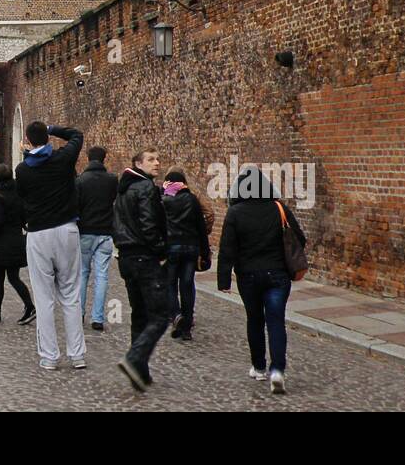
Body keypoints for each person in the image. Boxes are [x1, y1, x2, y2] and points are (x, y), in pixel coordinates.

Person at [217, 165, 306, 395]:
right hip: (277, 275)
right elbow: (300, 238)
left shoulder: (235, 213)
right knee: (276, 322)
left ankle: (258, 367)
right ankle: (277, 370)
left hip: (248, 276)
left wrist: (224, 280)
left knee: (254, 320)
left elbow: (227, 249)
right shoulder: (278, 208)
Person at [14, 122, 86, 371]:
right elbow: (77, 134)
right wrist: (52, 127)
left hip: (38, 233)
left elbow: (21, 199)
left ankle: (49, 356)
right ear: (47, 138)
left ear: (28, 141)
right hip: (66, 229)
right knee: (71, 294)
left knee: (44, 298)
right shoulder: (63, 158)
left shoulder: (22, 170)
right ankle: (77, 355)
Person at [112, 147, 171, 392]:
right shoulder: (145, 187)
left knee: (140, 314)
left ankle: (140, 372)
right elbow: (149, 224)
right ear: (138, 163)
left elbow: (115, 222)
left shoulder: (122, 189)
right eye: (151, 160)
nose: (157, 163)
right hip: (143, 257)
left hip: (126, 256)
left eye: (158, 159)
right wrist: (160, 251)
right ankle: (135, 358)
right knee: (160, 315)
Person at [0, 164, 35, 324]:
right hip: (15, 238)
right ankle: (29, 306)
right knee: (13, 277)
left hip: (0, 240)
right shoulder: (19, 191)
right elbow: (25, 215)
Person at [162, 169, 211, 341]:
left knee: (169, 284)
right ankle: (187, 327)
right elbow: (200, 227)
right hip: (191, 248)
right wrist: (205, 252)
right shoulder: (192, 200)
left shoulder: (164, 200)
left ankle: (176, 315)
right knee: (187, 285)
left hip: (171, 247)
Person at [75, 145, 117, 333]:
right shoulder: (112, 180)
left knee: (83, 274)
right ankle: (98, 318)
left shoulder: (81, 181)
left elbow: (76, 206)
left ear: (88, 158)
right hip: (105, 231)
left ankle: (80, 313)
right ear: (104, 159)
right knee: (102, 276)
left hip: (85, 231)